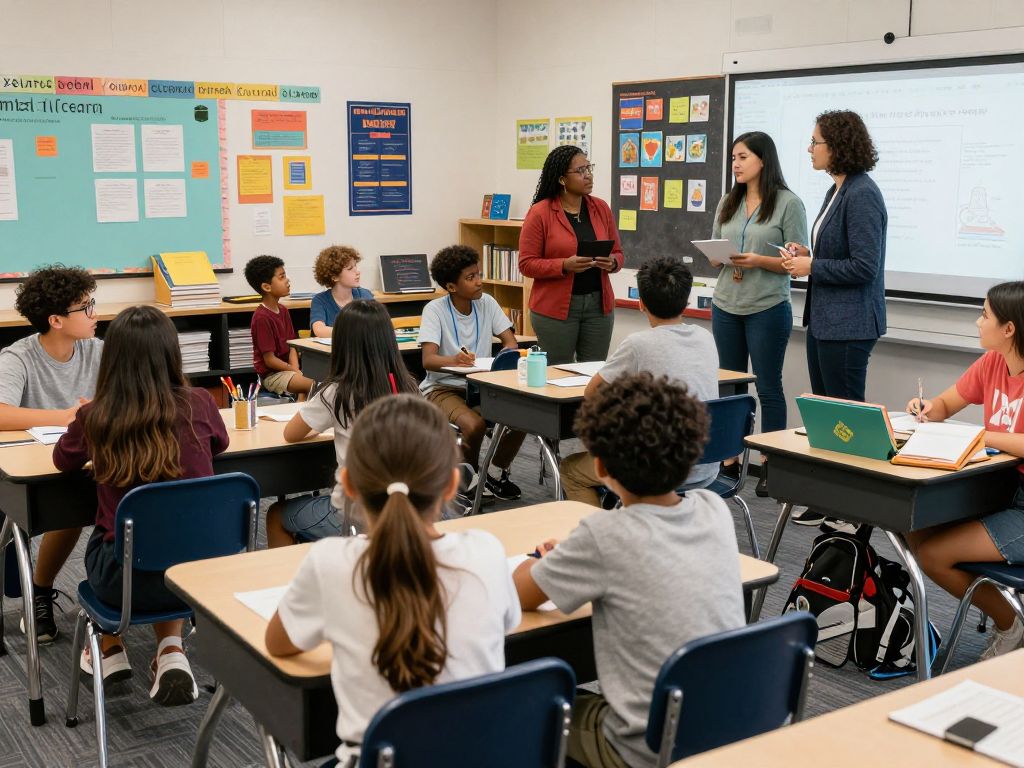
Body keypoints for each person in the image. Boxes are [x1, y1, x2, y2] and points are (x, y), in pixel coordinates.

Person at [265, 394, 521, 768]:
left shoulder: (330, 562)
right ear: (452, 484)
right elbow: (508, 623)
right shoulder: (487, 552)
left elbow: (278, 643)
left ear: (347, 484)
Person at [514, 372, 744, 768]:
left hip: (644, 749)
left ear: (600, 465)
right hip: (729, 728)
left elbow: (521, 593)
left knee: (524, 702)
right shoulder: (714, 511)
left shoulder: (605, 536)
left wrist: (544, 559)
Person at [53, 306, 229, 703]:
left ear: (112, 359)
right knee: (172, 538)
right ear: (172, 354)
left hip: (122, 583)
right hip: (198, 580)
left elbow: (62, 460)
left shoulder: (95, 416)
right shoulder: (200, 403)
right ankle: (170, 650)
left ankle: (109, 646)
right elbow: (220, 444)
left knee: (110, 535)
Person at [905, 281, 1024, 660]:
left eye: (984, 315)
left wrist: (984, 435)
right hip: (999, 490)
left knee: (933, 556)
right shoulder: (993, 362)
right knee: (914, 525)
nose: (977, 322)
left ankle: (1011, 623)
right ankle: (1006, 611)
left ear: (1009, 328)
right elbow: (946, 403)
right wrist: (928, 408)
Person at [781, 110, 886, 526]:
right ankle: (829, 501)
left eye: (815, 142)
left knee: (848, 420)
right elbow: (837, 254)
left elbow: (864, 266)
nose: (809, 149)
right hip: (826, 320)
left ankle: (853, 510)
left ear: (837, 146)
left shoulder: (862, 194)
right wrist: (808, 255)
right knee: (828, 418)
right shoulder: (836, 189)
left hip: (850, 324)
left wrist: (813, 267)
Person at [560, 256, 719, 505]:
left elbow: (592, 392)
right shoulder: (705, 337)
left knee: (571, 470)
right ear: (686, 301)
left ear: (641, 303)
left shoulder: (638, 344)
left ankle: (603, 529)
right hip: (706, 464)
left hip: (656, 469)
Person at [0, 265, 103, 644]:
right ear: (56, 320)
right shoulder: (18, 357)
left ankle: (112, 596)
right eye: (86, 307)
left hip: (83, 458)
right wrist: (64, 416)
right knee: (69, 509)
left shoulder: (97, 349)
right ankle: (40, 593)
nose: (95, 313)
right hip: (33, 467)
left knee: (121, 499)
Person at [266, 300, 419, 546]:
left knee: (276, 515)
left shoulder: (337, 392)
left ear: (342, 345)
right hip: (409, 507)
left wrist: (321, 426)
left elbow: (291, 433)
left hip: (355, 513)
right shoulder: (409, 386)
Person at [711, 132, 807, 496]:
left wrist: (759, 260)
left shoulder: (788, 203)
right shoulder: (728, 201)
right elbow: (716, 247)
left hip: (767, 306)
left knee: (768, 386)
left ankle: (770, 464)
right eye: (733, 157)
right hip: (726, 304)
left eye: (742, 157)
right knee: (729, 387)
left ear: (763, 160)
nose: (735, 164)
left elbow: (796, 263)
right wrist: (717, 255)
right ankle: (729, 461)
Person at [419, 244, 525, 502]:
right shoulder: (434, 310)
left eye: (479, 274)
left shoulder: (487, 303)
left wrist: (502, 356)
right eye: (471, 277)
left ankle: (494, 472)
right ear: (451, 287)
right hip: (442, 388)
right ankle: (469, 480)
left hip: (481, 386)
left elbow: (510, 343)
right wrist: (454, 360)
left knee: (522, 417)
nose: (479, 282)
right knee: (473, 425)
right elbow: (428, 360)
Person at [519, 146, 624, 364]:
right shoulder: (540, 213)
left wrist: (612, 262)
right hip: (555, 309)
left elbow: (618, 253)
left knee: (593, 372)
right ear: (562, 179)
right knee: (557, 373)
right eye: (580, 170)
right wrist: (564, 265)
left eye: (589, 168)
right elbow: (526, 264)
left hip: (598, 306)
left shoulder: (601, 208)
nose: (588, 175)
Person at [244, 255, 314, 397]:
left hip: (290, 370)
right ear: (266, 287)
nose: (287, 280)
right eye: (281, 277)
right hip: (273, 376)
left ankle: (300, 401)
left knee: (318, 381)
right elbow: (270, 360)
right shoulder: (261, 317)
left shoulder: (283, 310)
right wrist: (294, 370)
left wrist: (295, 369)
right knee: (315, 384)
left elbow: (292, 345)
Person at [309, 245, 375, 338]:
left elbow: (377, 325)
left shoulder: (365, 295)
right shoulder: (320, 300)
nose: (357, 272)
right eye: (350, 269)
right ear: (334, 277)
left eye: (355, 266)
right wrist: (354, 333)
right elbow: (319, 330)